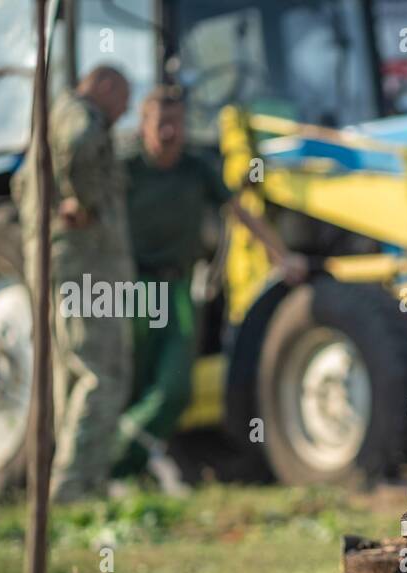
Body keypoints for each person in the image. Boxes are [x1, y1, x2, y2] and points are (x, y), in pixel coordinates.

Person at [114, 86, 308, 483]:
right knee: (133, 380)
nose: (170, 133)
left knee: (175, 386)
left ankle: (121, 460)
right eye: (161, 124)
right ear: (144, 125)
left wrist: (281, 255)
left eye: (177, 123)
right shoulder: (126, 169)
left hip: (181, 285)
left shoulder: (197, 167)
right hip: (134, 289)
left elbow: (240, 211)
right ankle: (124, 468)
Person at [12, 65, 133, 502]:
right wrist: (83, 203)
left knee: (73, 369)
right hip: (84, 264)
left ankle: (66, 482)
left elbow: (20, 185)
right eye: (124, 98)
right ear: (103, 86)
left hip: (62, 260)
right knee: (102, 372)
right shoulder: (81, 116)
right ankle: (75, 483)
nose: (126, 110)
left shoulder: (54, 116)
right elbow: (81, 147)